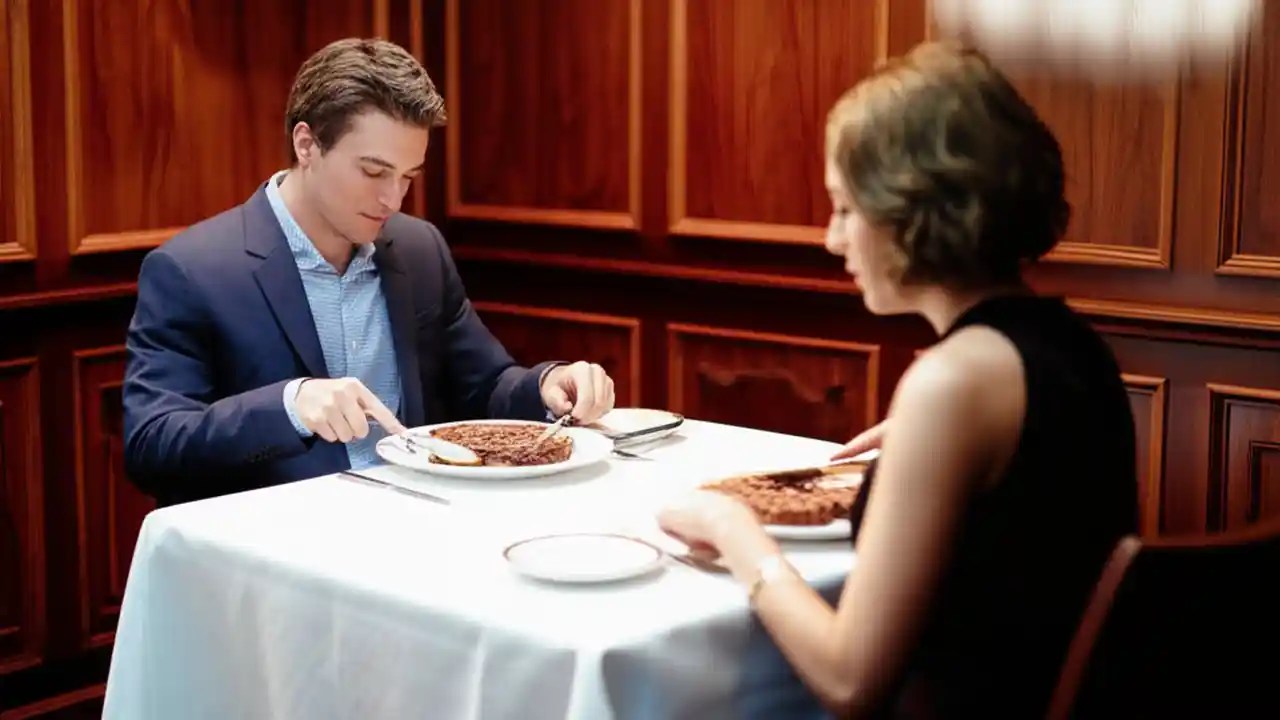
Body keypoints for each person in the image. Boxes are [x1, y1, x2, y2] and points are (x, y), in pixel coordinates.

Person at [658, 42, 1137, 718]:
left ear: (915, 210)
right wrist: (928, 444)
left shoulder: (954, 382)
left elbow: (850, 681)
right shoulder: (1071, 346)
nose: (832, 239)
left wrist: (736, 532)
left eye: (846, 209)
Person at [123, 38, 615, 506]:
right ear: (307, 144)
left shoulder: (420, 248)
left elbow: (484, 384)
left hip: (419, 524)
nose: (393, 200)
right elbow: (153, 446)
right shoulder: (192, 270)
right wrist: (290, 407)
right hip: (273, 556)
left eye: (407, 177)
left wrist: (548, 386)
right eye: (374, 172)